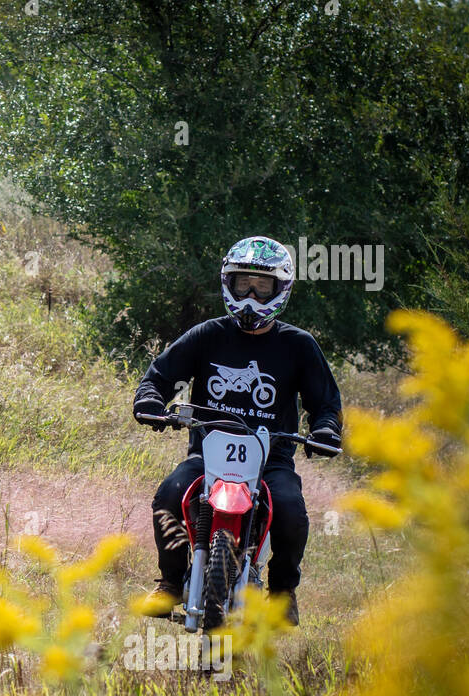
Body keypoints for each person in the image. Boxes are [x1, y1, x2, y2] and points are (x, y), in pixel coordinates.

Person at [131, 236, 343, 625]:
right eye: (242, 283)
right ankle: (171, 584)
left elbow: (325, 403)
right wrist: (149, 399)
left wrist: (326, 429)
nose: (250, 294)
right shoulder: (207, 334)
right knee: (169, 494)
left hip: (269, 460)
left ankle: (282, 593)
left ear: (281, 289)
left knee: (292, 512)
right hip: (207, 455)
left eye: (261, 286)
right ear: (227, 283)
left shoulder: (299, 345)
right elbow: (160, 375)